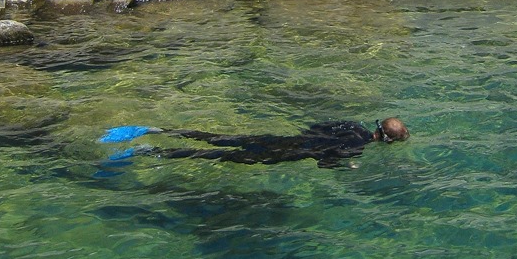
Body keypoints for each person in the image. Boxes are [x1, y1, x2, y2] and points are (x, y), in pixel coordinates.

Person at [102, 116, 409, 169]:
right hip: (286, 154)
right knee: (216, 157)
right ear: (385, 140)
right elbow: (325, 160)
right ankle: (148, 151)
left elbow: (316, 128)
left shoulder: (351, 125)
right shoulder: (357, 147)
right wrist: (347, 167)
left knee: (217, 139)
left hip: (281, 139)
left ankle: (154, 130)